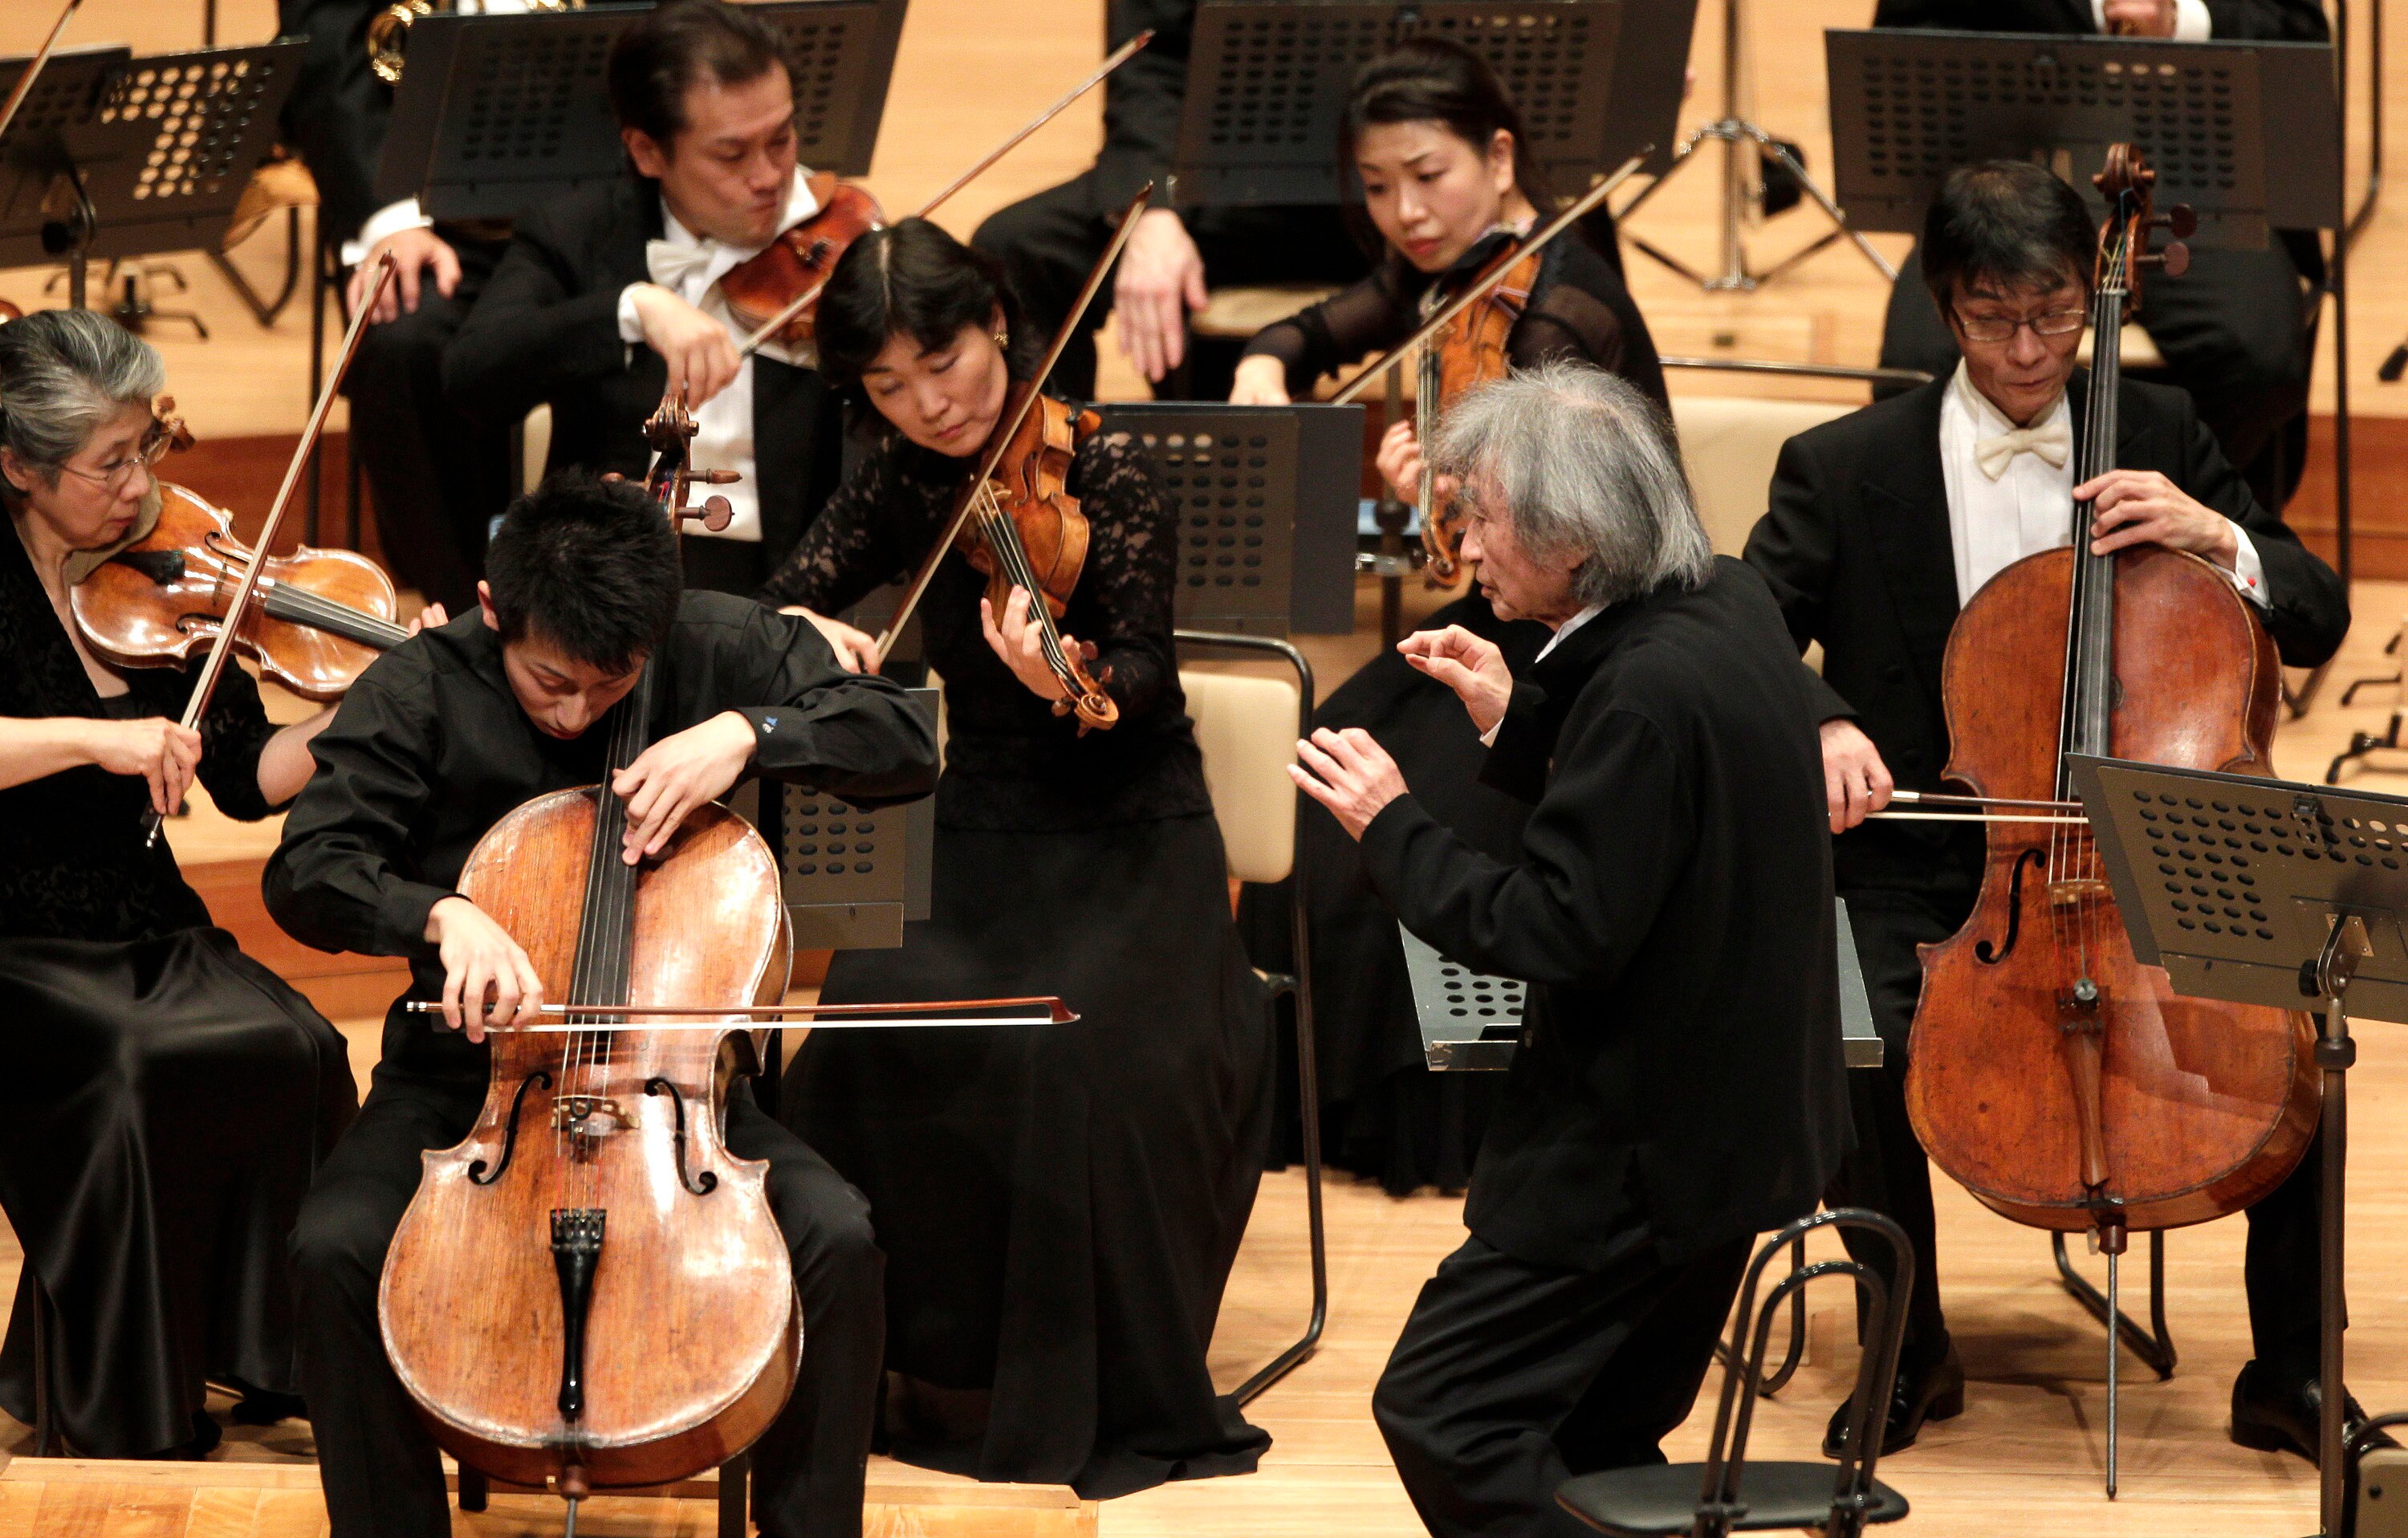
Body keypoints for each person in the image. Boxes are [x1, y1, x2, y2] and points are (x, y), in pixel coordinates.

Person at [1743, 158, 2360, 1463]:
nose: (2029, 349)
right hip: (1937, 858)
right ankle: (1909, 1351)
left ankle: (2292, 1373)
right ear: (1941, 305)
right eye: (1992, 316)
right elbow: (1736, 626)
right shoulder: (1842, 467)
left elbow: (2317, 609)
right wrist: (1825, 720)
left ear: (2096, 299)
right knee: (1844, 1022)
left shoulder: (2167, 431)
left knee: (2300, 1021)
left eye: (2058, 314)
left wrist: (2214, 534)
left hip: (2154, 842)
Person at [264, 473, 939, 1538]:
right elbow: (306, 871)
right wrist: (443, 916)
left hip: (676, 1091)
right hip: (466, 1083)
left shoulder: (711, 643)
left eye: (609, 683)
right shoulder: (425, 683)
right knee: (333, 1246)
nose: (578, 709)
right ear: (493, 610)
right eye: (549, 682)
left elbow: (907, 737)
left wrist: (753, 735)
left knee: (840, 1243)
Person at [759, 218, 1275, 1496]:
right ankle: (911, 1365)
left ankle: (1081, 1386)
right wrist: (813, 631)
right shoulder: (895, 474)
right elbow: (794, 588)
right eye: (888, 386)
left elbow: (1148, 681)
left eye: (944, 362)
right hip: (975, 820)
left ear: (997, 318)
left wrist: (1073, 673)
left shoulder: (1106, 479)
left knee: (1079, 1060)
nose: (930, 402)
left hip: (1127, 830)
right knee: (865, 1035)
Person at [1287, 360, 1849, 1536]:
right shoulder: (1728, 604)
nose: (1464, 547)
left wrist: (1393, 824)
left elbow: (1557, 927)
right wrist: (1517, 715)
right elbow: (1660, 816)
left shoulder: (1642, 692)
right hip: (1744, 1131)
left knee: (1446, 1411)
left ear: (1576, 536)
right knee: (1597, 1435)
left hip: (1639, 1156)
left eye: (1482, 516)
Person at [1230, 37, 1669, 1193]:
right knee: (1318, 779)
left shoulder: (1565, 301)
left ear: (1500, 153)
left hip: (1584, 638)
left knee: (1400, 816)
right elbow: (1316, 327)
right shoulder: (1447, 274)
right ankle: (1329, 1107)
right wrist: (1268, 370)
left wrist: (1450, 486)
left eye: (1428, 175)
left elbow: (1566, 527)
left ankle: (1447, 1125)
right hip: (1492, 617)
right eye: (1378, 188)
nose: (1405, 211)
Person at [0, 310, 367, 1457]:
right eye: (108, 464)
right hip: (15, 934)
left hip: (141, 916)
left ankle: (273, 1358)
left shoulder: (176, 570)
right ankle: (118, 1387)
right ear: (18, 465)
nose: (139, 486)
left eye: (145, 449)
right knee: (134, 1067)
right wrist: (91, 738)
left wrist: (363, 716)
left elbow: (254, 780)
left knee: (302, 1045)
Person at [445, 0, 849, 595]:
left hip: (791, 577)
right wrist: (630, 309)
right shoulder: (578, 232)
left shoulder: (839, 245)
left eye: (782, 140)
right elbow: (472, 376)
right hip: (611, 583)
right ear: (647, 152)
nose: (769, 177)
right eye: (731, 155)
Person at [1873, 0, 2331, 509]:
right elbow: (1906, 30)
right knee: (1912, 364)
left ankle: (2165, 531)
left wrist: (2181, 21)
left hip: (2195, 175)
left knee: (2256, 355)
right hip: (2010, 167)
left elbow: (2295, 28)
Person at [971, 0, 1371, 401]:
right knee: (1019, 246)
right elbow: (1149, 73)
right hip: (1223, 190)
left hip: (1377, 194)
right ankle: (1055, 457)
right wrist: (1153, 210)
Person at [279, 0, 523, 612]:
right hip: (425, 214)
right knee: (400, 342)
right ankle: (466, 612)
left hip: (593, 196)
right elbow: (327, 59)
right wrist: (391, 219)